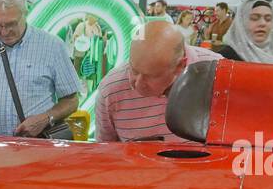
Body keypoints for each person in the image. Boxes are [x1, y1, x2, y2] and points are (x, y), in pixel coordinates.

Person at [0, 0, 79, 138]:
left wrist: (46, 118)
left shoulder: (52, 46)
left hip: (37, 146)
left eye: (11, 24)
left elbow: (71, 100)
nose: (4, 32)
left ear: (25, 15)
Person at [94, 21, 223, 143]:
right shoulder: (111, 89)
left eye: (151, 76)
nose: (137, 84)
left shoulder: (219, 75)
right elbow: (104, 152)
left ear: (180, 65)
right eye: (133, 69)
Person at [214, 0, 273, 64]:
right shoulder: (225, 58)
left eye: (268, 19)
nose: (263, 23)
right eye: (254, 18)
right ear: (241, 23)